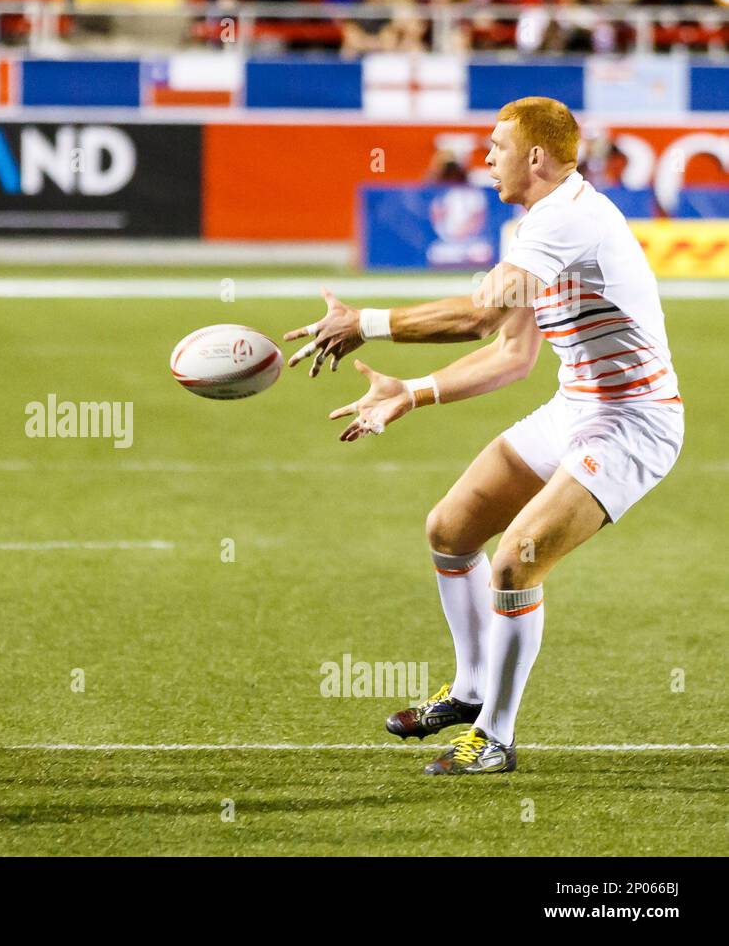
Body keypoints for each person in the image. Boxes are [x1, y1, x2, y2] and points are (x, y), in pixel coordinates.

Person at [285, 97, 683, 774]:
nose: (485, 157)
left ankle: (495, 738)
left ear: (536, 157)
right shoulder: (533, 228)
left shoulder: (571, 219)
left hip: (633, 422)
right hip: (576, 406)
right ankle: (470, 691)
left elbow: (478, 317)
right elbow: (510, 355)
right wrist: (411, 393)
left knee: (516, 561)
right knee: (450, 530)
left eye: (496, 146)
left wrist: (368, 322)